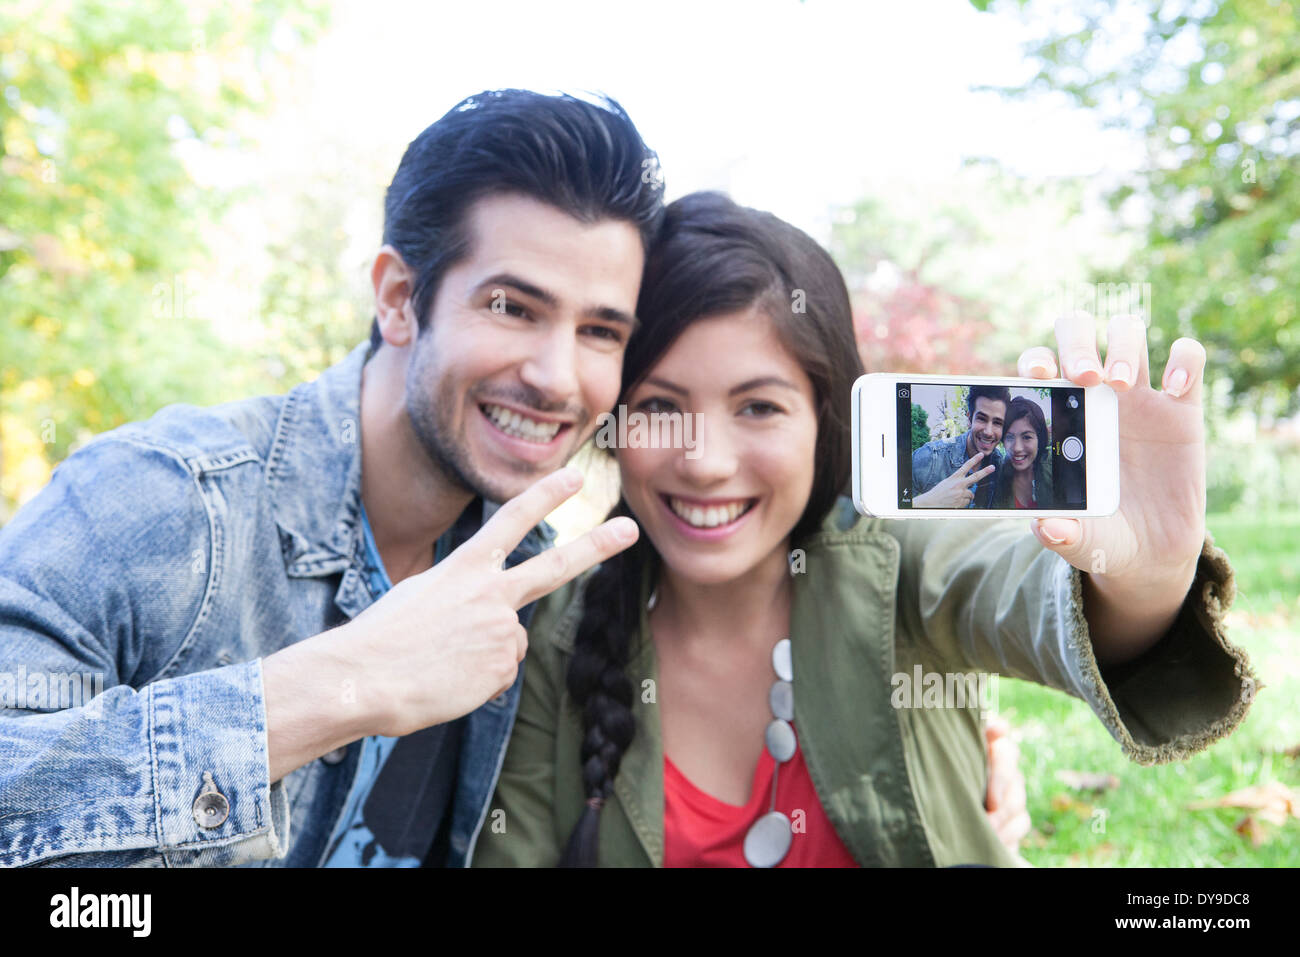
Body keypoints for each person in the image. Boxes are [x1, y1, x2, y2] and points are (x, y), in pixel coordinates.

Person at [470, 191, 1255, 867]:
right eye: (662, 409)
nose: (705, 462)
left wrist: (1144, 583)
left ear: (824, 422)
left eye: (758, 406)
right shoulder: (557, 637)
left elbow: (1024, 597)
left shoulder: (896, 560)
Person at [0, 89, 660, 867]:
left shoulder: (525, 580)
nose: (557, 377)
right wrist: (345, 682)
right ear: (398, 299)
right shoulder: (165, 497)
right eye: (513, 307)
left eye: (599, 331)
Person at [911, 386, 1009, 508]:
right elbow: (891, 504)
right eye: (982, 419)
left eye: (997, 423)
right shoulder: (931, 457)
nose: (988, 432)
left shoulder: (1000, 466)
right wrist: (929, 502)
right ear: (969, 419)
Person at [992, 396, 1054, 510]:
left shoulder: (1055, 467)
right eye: (1010, 437)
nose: (1017, 448)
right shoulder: (997, 476)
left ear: (1039, 439)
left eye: (1026, 437)